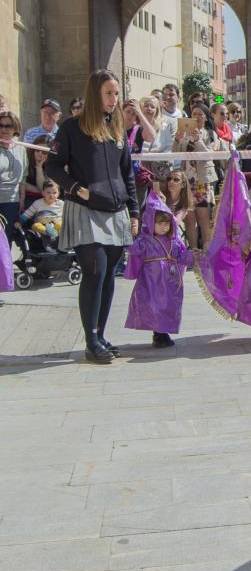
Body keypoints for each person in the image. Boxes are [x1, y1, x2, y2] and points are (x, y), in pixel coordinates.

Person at [45, 70, 141, 364]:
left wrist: (134, 210)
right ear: (95, 94)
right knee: (95, 270)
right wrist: (76, 189)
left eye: (116, 93)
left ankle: (99, 335)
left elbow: (126, 173)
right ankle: (91, 340)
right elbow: (53, 166)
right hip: (85, 209)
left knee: (109, 273)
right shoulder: (72, 128)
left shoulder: (117, 129)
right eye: (109, 93)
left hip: (115, 210)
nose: (114, 99)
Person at [124, 190, 193, 348]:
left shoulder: (173, 240)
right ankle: (159, 333)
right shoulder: (146, 240)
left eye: (166, 223)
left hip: (170, 279)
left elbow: (182, 256)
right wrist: (129, 237)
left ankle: (164, 331)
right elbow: (134, 250)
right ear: (150, 222)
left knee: (169, 304)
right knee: (155, 305)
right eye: (159, 223)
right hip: (152, 279)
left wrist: (195, 256)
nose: (163, 227)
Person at [173, 103, 226, 249]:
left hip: (203, 182)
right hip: (187, 182)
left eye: (200, 114)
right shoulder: (185, 132)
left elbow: (207, 156)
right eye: (194, 113)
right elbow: (175, 153)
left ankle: (207, 253)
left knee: (204, 220)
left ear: (206, 117)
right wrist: (177, 140)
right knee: (189, 221)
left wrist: (197, 140)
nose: (196, 117)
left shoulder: (210, 134)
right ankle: (193, 252)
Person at [0, 112, 27, 239]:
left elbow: (23, 176)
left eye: (8, 126)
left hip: (12, 201)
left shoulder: (21, 148)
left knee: (6, 239)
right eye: (0, 126)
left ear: (15, 127)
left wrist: (22, 198)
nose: (3, 129)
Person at [21, 134, 54, 209]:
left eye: (44, 152)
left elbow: (42, 187)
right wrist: (42, 191)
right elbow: (22, 183)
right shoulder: (26, 159)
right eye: (37, 150)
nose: (40, 154)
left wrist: (39, 168)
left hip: (47, 199)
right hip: (28, 198)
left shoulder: (53, 165)